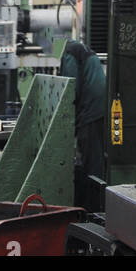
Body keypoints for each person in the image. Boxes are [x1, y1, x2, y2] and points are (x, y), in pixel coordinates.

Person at [59, 39, 106, 208]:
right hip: (99, 108)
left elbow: (70, 89)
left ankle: (93, 208)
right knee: (95, 157)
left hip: (91, 111)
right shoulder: (81, 49)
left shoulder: (70, 53)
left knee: (91, 162)